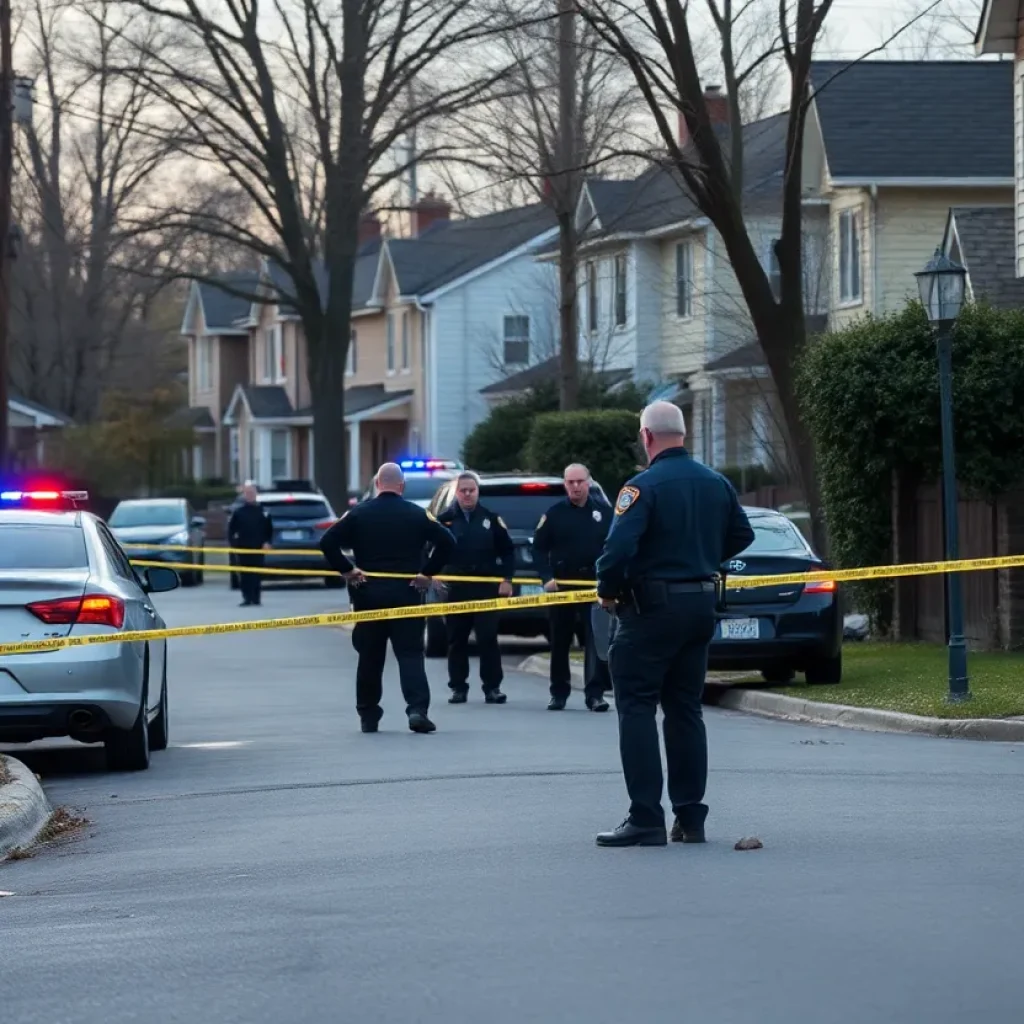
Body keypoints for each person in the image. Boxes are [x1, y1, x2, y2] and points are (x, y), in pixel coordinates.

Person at [593, 401, 754, 848]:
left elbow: (617, 550)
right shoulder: (716, 482)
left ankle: (645, 817)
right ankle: (691, 817)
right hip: (700, 605)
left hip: (649, 611)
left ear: (646, 437)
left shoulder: (642, 487)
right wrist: (701, 557)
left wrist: (608, 589)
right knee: (685, 710)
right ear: (683, 434)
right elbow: (743, 534)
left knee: (638, 706)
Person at [319, 462, 456, 734]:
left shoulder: (358, 513)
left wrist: (348, 570)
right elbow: (448, 542)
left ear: (378, 484)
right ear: (401, 486)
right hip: (406, 593)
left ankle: (368, 715)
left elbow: (327, 542)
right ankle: (417, 710)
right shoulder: (418, 515)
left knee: (370, 656)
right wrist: (427, 573)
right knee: (410, 654)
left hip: (368, 594)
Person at [531, 463, 612, 712]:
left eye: (580, 482)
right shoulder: (554, 514)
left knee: (595, 640)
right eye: (570, 482)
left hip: (593, 587)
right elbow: (538, 549)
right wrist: (546, 578)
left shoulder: (604, 513)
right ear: (565, 484)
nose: (575, 487)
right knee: (560, 641)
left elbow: (614, 548)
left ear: (588, 482)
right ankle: (558, 693)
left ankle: (595, 694)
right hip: (562, 586)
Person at [437, 471, 515, 704]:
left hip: (485, 587)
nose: (468, 494)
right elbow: (429, 551)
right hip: (457, 588)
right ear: (457, 492)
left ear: (477, 492)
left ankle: (492, 687)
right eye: (463, 490)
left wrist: (506, 579)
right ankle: (458, 687)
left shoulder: (490, 519)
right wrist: (432, 575)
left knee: (488, 638)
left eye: (472, 490)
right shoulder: (445, 519)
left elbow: (507, 551)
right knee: (456, 639)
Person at [228, 481, 273, 607]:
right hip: (243, 547)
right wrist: (233, 545)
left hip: (258, 547)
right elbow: (231, 530)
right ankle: (247, 598)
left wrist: (267, 542)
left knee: (257, 573)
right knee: (245, 574)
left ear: (256, 494)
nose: (250, 495)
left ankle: (256, 597)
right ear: (244, 495)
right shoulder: (239, 512)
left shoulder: (263, 512)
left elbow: (269, 530)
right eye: (247, 493)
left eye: (252, 493)